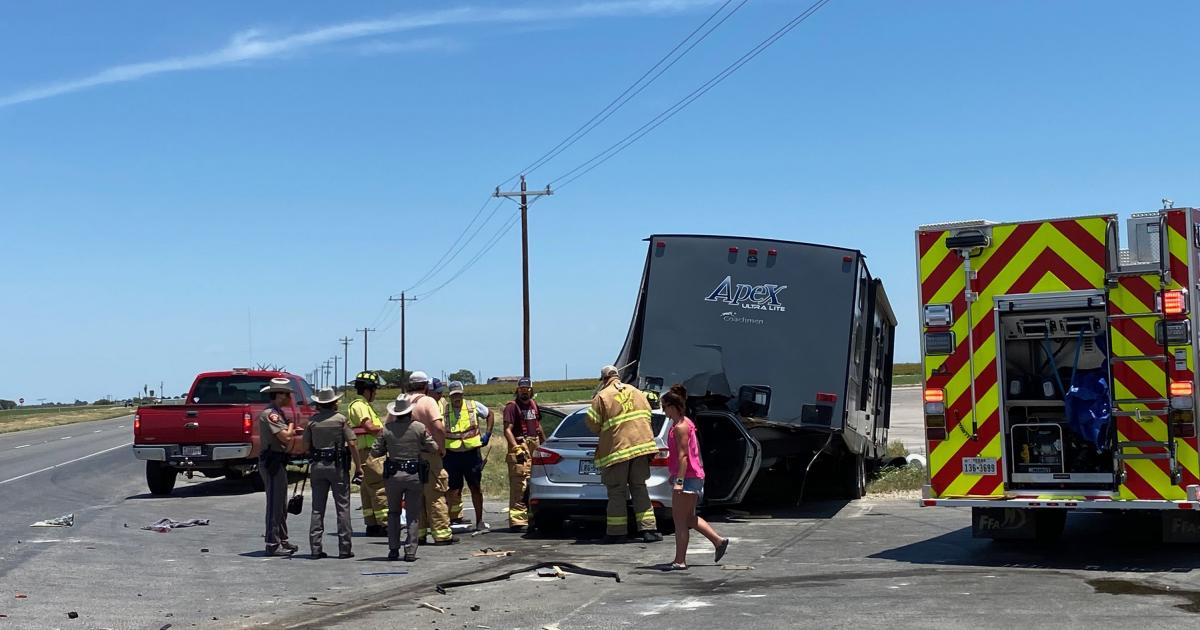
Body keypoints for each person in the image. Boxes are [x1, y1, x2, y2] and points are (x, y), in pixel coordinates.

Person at [586, 365, 662, 544]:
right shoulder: (637, 392)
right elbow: (648, 416)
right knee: (639, 488)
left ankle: (616, 532)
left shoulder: (603, 396)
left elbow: (592, 424)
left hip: (617, 451)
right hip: (641, 448)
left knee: (617, 491)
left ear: (604, 379)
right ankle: (648, 530)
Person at [661, 384, 729, 570]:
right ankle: (718, 541)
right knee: (689, 518)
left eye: (664, 406)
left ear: (672, 406)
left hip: (688, 477)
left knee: (680, 521)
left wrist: (679, 482)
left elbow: (683, 456)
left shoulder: (680, 427)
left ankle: (680, 560)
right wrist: (674, 475)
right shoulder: (683, 424)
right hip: (691, 475)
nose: (663, 410)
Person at [372, 394, 437, 561]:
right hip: (413, 475)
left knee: (393, 513)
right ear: (410, 412)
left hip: (393, 476)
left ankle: (393, 549)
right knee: (413, 515)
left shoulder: (387, 429)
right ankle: (410, 552)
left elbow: (375, 451)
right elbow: (433, 447)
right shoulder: (419, 428)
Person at [303, 387, 363, 560]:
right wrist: (358, 466)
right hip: (337, 466)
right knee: (342, 507)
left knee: (317, 508)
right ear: (333, 402)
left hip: (317, 465)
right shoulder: (340, 420)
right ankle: (344, 548)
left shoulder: (312, 422)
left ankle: (315, 548)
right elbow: (352, 443)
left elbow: (305, 446)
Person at [407, 371, 457, 545]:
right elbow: (438, 427)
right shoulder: (428, 402)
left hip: (407, 456)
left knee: (415, 496)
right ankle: (441, 534)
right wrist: (441, 448)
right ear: (425, 386)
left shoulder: (400, 401)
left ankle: (418, 533)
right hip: (429, 454)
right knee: (435, 493)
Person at [441, 381, 494, 530]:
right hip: (452, 455)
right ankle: (448, 522)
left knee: (475, 488)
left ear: (462, 394)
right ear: (450, 396)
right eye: (453, 395)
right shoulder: (444, 410)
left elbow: (490, 414)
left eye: (458, 394)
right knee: (452, 490)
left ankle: (479, 521)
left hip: (471, 454)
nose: (456, 398)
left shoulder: (473, 405)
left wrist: (487, 434)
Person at [257, 378, 299, 556]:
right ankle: (272, 543)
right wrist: (291, 426)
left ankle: (282, 539)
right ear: (279, 394)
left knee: (281, 504)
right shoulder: (271, 414)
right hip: (272, 461)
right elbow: (285, 437)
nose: (290, 397)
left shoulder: (278, 412)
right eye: (287, 393)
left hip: (278, 460)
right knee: (275, 504)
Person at [347, 371, 388, 536]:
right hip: (371, 454)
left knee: (367, 489)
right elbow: (370, 428)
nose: (376, 393)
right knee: (379, 488)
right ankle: (385, 524)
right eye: (375, 389)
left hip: (366, 453)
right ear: (367, 389)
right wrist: (387, 432)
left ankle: (372, 524)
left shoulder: (363, 405)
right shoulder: (360, 406)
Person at [503, 377, 546, 531]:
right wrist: (516, 448)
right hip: (520, 447)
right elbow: (507, 430)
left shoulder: (534, 405)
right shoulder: (512, 407)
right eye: (521, 388)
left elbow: (538, 426)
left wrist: (545, 443)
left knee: (533, 484)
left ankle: (532, 518)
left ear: (531, 390)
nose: (524, 391)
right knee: (519, 485)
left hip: (534, 446)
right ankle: (517, 522)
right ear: (517, 389)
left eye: (527, 388)